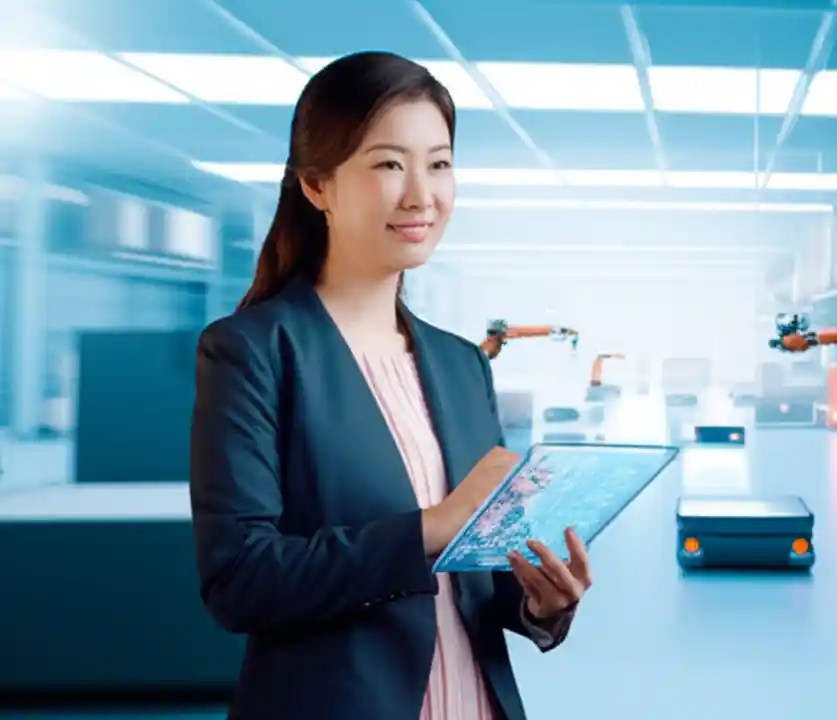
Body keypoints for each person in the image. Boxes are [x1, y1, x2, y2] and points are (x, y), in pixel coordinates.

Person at [188, 51, 592, 720]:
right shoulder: (253, 352)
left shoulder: (464, 367)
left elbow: (474, 582)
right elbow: (241, 581)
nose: (420, 195)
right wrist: (434, 526)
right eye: (388, 164)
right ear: (316, 185)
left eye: (438, 164)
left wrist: (538, 605)